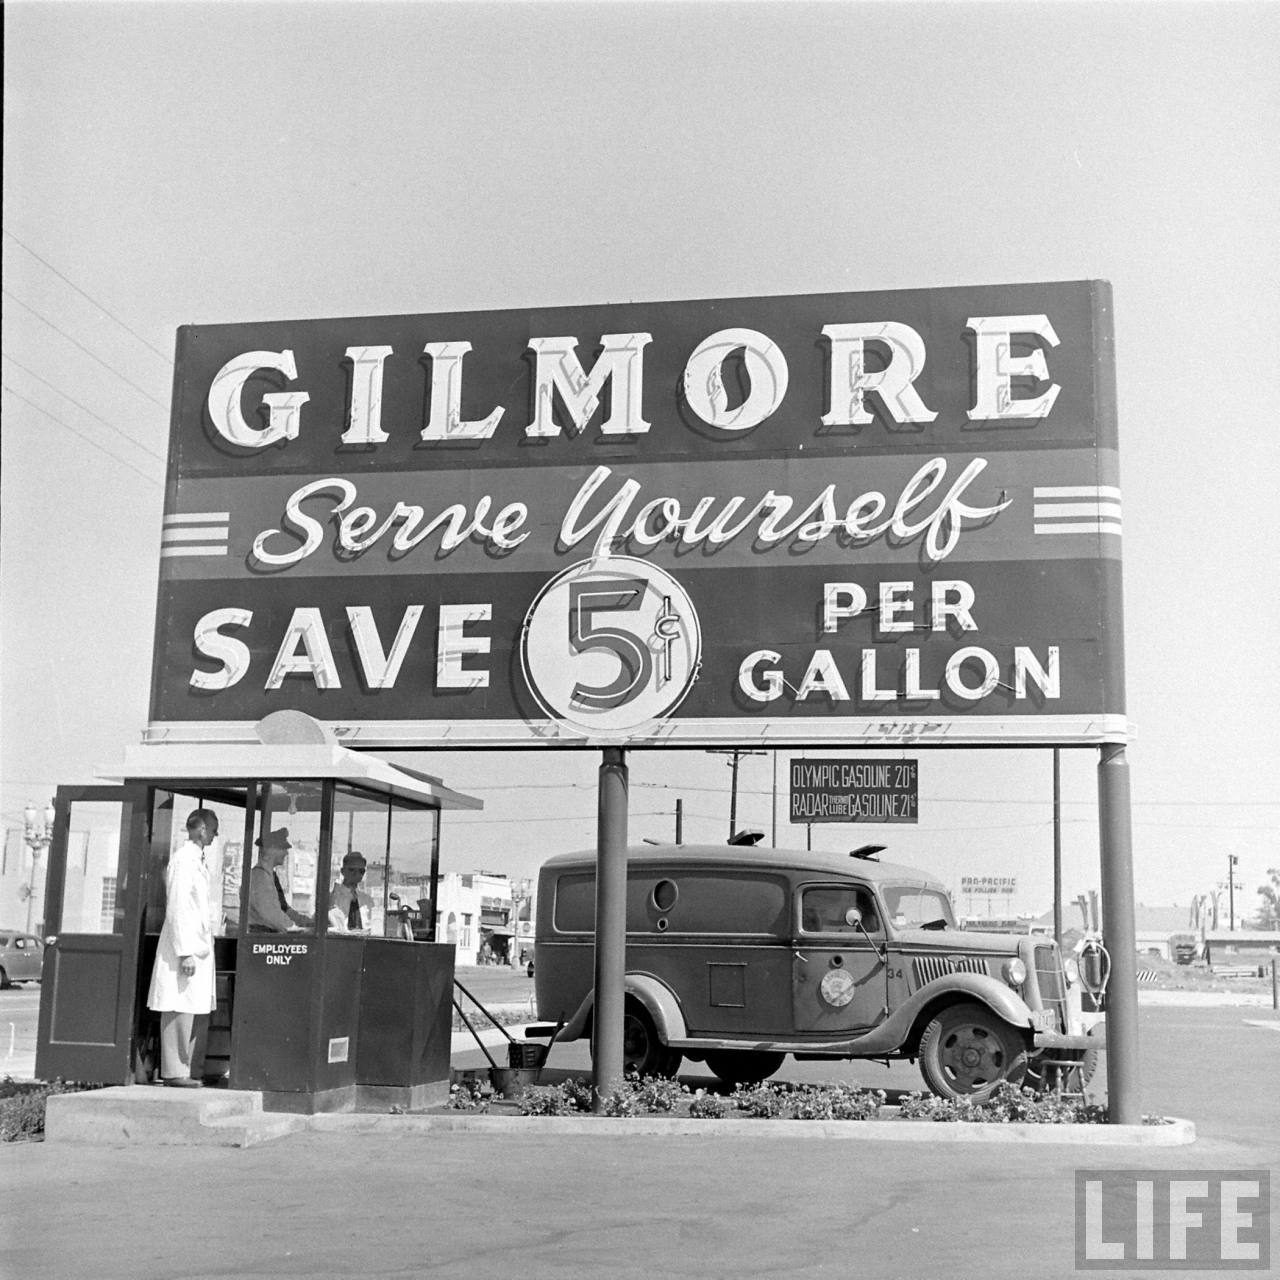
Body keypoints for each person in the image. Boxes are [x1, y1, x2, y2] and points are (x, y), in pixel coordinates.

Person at [146, 809, 218, 1087]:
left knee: (195, 1007)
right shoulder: (183, 861)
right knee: (179, 1008)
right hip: (184, 949)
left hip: (198, 947)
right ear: (201, 830)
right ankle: (176, 1071)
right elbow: (176, 908)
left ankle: (190, 1069)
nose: (214, 835)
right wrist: (185, 951)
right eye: (213, 830)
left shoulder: (197, 862)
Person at [247, 827, 311, 932]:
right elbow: (271, 912)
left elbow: (283, 908)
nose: (286, 853)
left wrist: (305, 922)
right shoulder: (260, 877)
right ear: (272, 850)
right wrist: (293, 928)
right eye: (283, 848)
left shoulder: (269, 875)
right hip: (262, 938)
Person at [327, 850, 374, 934]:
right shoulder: (333, 899)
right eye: (352, 870)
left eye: (361, 871)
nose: (357, 874)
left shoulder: (367, 900)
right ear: (342, 871)